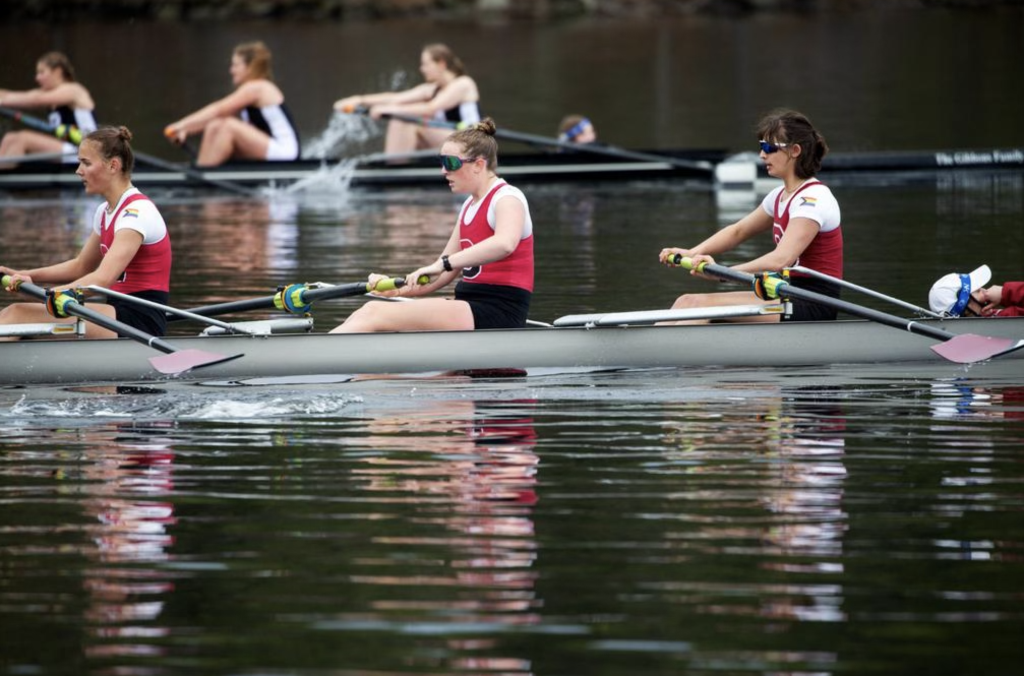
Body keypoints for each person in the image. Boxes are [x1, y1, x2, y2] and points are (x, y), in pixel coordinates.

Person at [331, 118, 532, 334]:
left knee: (373, 313)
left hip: (499, 311)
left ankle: (315, 358)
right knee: (365, 311)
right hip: (470, 305)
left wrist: (443, 263)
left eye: (451, 163)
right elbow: (442, 274)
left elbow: (505, 243)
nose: (444, 171)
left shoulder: (508, 198)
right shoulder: (469, 205)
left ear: (479, 165)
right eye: (442, 162)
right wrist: (395, 291)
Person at [658, 108, 842, 323]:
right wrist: (693, 252)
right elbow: (738, 231)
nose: (762, 155)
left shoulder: (813, 198)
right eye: (761, 147)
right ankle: (651, 352)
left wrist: (722, 273)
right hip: (785, 293)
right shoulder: (778, 197)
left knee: (696, 305)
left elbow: (781, 259)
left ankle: (656, 354)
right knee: (686, 301)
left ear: (794, 151)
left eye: (769, 147)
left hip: (814, 302)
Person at [0, 126, 172, 339]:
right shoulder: (104, 212)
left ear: (113, 165)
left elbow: (102, 279)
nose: (78, 170)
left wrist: (52, 294)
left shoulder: (137, 213)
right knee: (10, 313)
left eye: (86, 163)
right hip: (116, 313)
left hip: (140, 321)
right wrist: (27, 275)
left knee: (19, 313)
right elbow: (81, 266)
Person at [164, 41, 299, 167]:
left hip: (286, 154)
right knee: (216, 124)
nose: (231, 70)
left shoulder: (257, 88)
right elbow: (216, 117)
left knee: (227, 125)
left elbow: (219, 109)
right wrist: (185, 130)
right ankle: (203, 167)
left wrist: (181, 126)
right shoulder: (253, 88)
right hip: (271, 150)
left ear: (250, 67)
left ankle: (203, 173)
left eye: (235, 65)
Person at [333, 43, 481, 154]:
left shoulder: (463, 84)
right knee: (404, 117)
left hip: (472, 145)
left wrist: (391, 111)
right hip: (451, 142)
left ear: (441, 64)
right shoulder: (431, 89)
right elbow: (395, 98)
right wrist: (359, 99)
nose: (421, 69)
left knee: (408, 120)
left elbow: (431, 108)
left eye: (425, 64)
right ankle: (395, 164)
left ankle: (392, 167)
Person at [0, 51, 97, 168]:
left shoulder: (73, 90)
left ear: (57, 72)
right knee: (9, 137)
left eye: (42, 72)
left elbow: (34, 99)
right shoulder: (47, 94)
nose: (37, 78)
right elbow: (9, 96)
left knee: (22, 139)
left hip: (87, 151)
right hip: (69, 149)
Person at [928, 264, 1024, 317]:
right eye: (978, 291)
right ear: (965, 309)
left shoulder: (999, 316)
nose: (985, 290)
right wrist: (1007, 293)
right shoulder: (1007, 318)